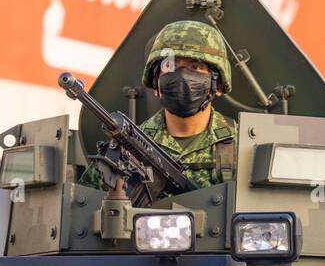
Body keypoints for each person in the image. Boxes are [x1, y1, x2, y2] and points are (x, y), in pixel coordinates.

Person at [80, 20, 237, 194]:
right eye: (169, 66)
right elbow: (83, 207)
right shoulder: (127, 149)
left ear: (218, 84)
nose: (182, 76)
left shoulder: (241, 146)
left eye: (195, 67)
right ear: (156, 84)